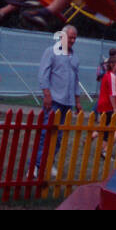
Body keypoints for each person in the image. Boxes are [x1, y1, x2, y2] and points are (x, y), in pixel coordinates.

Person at [33, 25, 81, 179]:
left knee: (58, 136)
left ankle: (49, 162)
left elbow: (75, 81)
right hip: (54, 101)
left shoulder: (74, 57)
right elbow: (43, 74)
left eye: (74, 37)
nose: (72, 40)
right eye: (70, 37)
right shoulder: (50, 52)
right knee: (46, 134)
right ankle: (36, 165)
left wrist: (77, 101)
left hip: (67, 103)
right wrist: (47, 95)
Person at [97, 49, 116, 158]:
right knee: (114, 130)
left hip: (102, 105)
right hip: (108, 106)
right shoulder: (112, 76)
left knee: (106, 130)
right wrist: (115, 108)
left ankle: (103, 150)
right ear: (112, 65)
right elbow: (112, 94)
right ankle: (104, 151)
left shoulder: (107, 75)